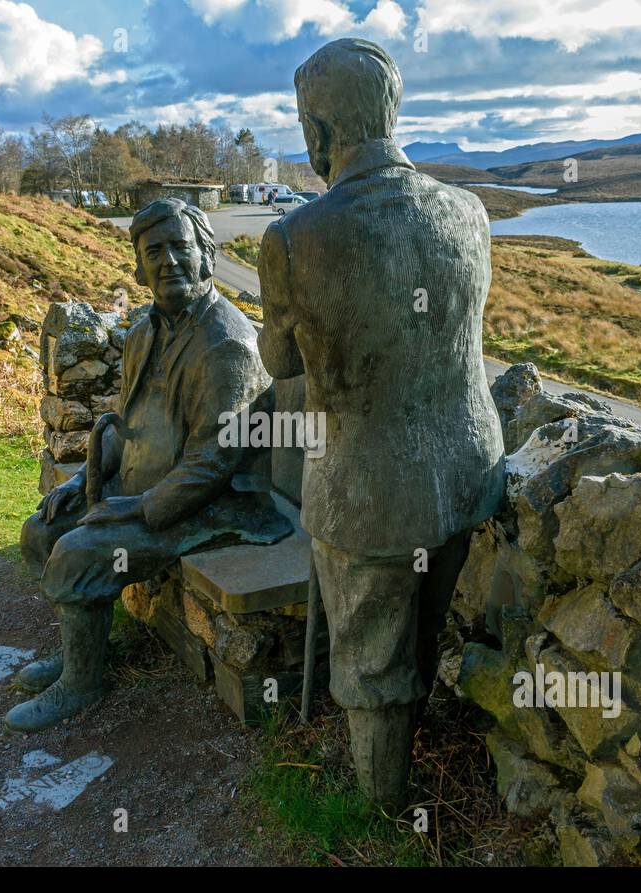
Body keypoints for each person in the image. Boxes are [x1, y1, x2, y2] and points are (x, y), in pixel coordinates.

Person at [257, 38, 505, 810]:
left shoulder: (294, 237)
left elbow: (279, 367)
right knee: (423, 628)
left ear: (318, 132)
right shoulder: (470, 212)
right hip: (468, 469)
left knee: (370, 663)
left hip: (366, 490)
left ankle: (379, 813)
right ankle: (414, 758)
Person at [8, 198, 291, 732]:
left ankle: (82, 684)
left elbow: (213, 462)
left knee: (76, 553)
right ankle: (79, 655)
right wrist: (86, 480)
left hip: (213, 504)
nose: (169, 262)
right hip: (142, 486)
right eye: (154, 252)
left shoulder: (228, 345)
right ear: (139, 267)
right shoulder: (143, 334)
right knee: (40, 532)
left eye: (181, 247)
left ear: (207, 256)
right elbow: (127, 422)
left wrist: (134, 509)